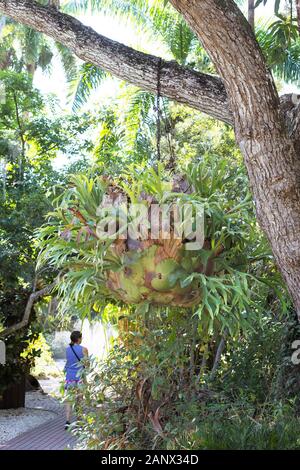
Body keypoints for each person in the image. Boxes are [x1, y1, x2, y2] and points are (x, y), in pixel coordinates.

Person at [64, 330, 88, 430]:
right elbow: (87, 364)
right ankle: (79, 420)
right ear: (78, 339)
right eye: (81, 337)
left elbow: (69, 362)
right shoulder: (84, 349)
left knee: (69, 400)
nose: (82, 339)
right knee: (79, 399)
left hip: (69, 377)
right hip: (79, 378)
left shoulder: (67, 349)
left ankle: (67, 422)